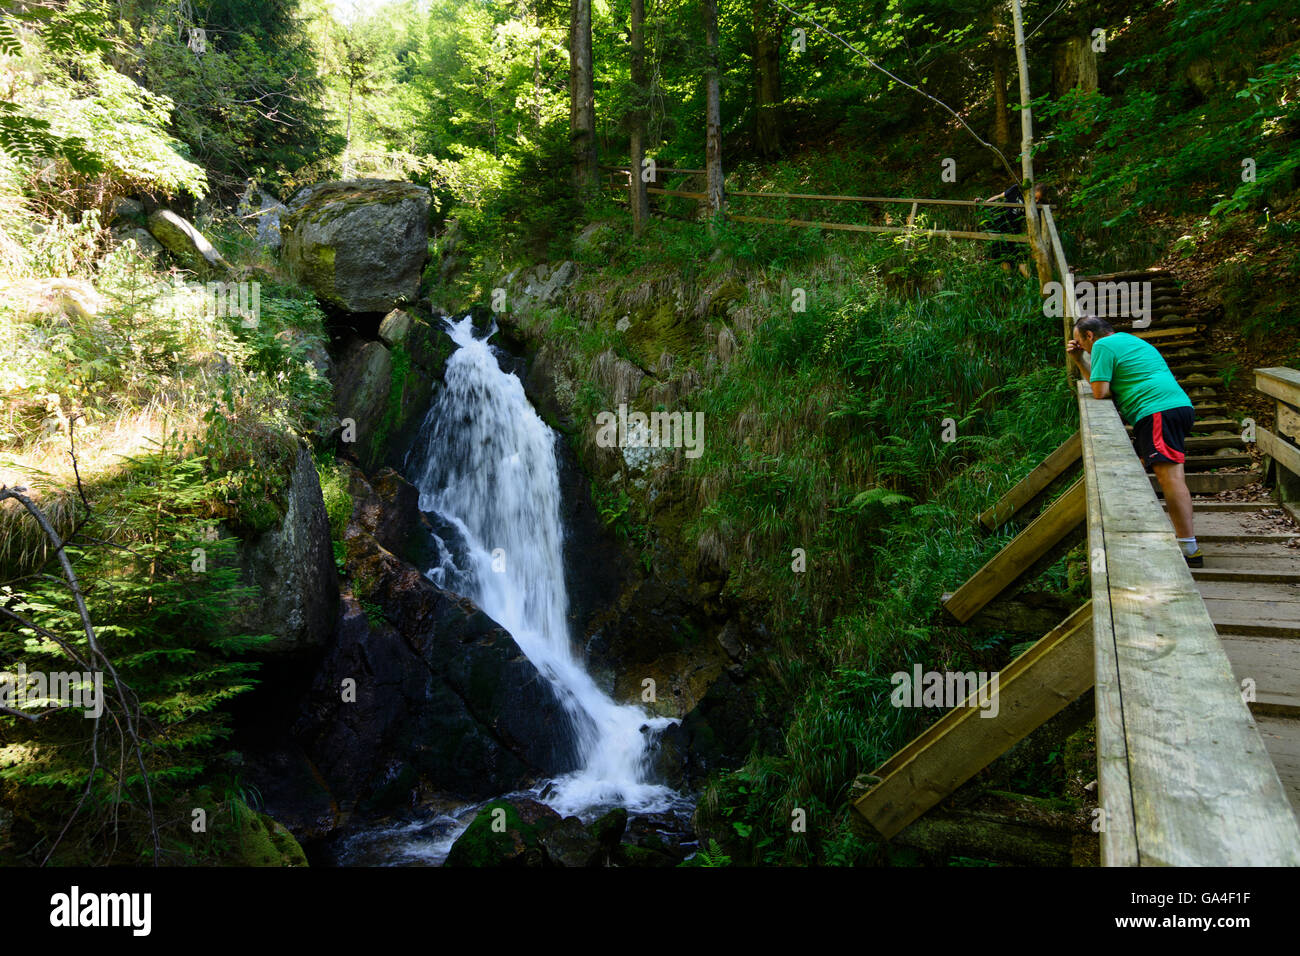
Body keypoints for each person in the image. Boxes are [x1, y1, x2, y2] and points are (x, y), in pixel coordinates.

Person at [1067, 315, 1202, 566]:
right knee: (1161, 473)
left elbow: (1100, 391)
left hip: (1157, 411)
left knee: (1170, 479)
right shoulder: (1129, 340)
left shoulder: (1102, 346)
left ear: (1089, 335)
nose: (1081, 347)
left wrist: (1081, 360)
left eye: (1079, 342)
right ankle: (1163, 536)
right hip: (1175, 407)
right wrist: (1079, 359)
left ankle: (1189, 549)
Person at [984, 181, 1047, 278]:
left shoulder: (1035, 206)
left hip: (1015, 229)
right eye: (1035, 197)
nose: (1037, 201)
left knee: (1021, 256)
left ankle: (1029, 282)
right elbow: (999, 196)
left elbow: (1037, 225)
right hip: (1001, 225)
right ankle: (1009, 282)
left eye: (1039, 199)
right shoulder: (1017, 189)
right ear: (1031, 192)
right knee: (1003, 256)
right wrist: (984, 202)